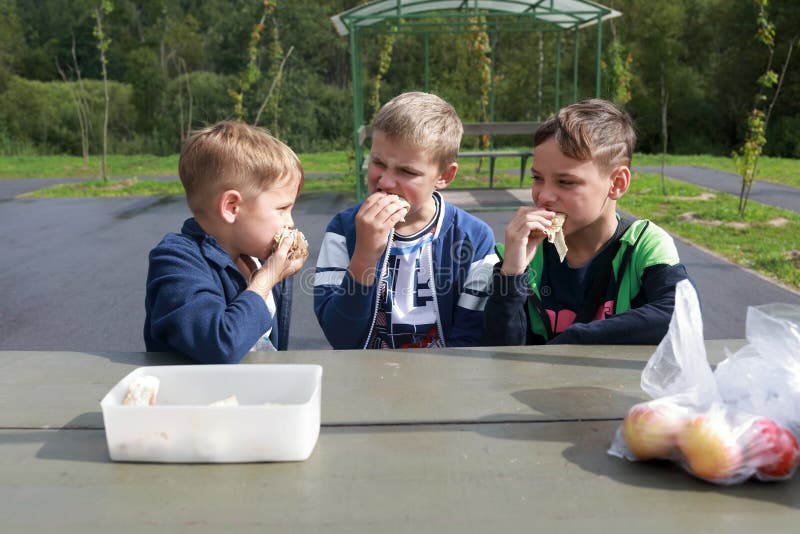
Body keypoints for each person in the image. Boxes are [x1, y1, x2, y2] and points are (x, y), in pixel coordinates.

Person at [482, 98, 690, 345]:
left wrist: (573, 339)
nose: (544, 196)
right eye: (537, 178)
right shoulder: (527, 254)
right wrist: (511, 274)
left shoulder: (643, 246)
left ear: (617, 183)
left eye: (566, 182)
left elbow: (680, 315)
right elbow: (499, 353)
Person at [314, 91, 498, 349]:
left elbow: (470, 338)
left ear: (444, 175)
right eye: (378, 162)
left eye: (406, 171)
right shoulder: (344, 230)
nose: (386, 182)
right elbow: (341, 337)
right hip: (366, 377)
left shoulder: (473, 238)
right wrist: (364, 256)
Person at [144, 121, 306, 363]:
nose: (290, 222)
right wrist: (267, 279)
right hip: (192, 396)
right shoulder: (175, 262)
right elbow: (220, 345)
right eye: (282, 208)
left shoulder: (258, 257)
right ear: (232, 207)